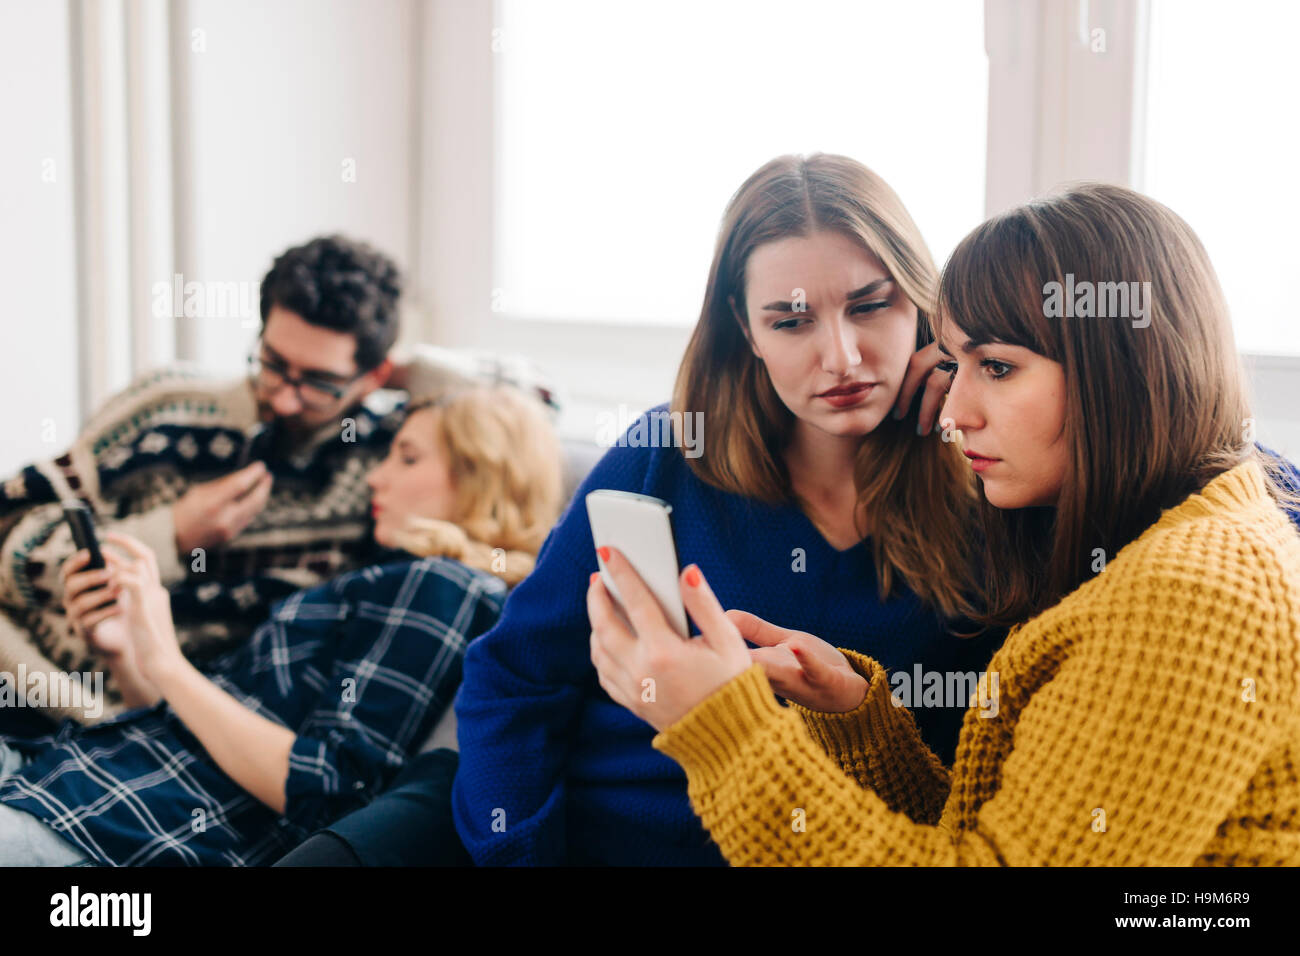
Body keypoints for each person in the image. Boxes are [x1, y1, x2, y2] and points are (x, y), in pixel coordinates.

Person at [589, 182, 1300, 865]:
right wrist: (858, 719)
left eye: (995, 367)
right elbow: (983, 843)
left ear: (1124, 371)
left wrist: (722, 733)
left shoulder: (1190, 598)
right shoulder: (1158, 550)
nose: (954, 414)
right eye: (955, 364)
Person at [443, 153, 1007, 867]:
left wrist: (974, 394)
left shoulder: (990, 484)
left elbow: (974, 772)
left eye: (871, 306)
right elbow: (514, 679)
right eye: (792, 321)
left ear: (923, 305)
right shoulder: (664, 453)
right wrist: (521, 856)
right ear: (745, 328)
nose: (842, 357)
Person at [0, 235, 556, 729]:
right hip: (22, 670)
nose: (285, 397)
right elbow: (12, 530)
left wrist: (403, 372)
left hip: (145, 723)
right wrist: (170, 536)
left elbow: (533, 408)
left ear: (375, 376)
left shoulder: (386, 451)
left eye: (319, 381)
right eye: (273, 362)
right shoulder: (169, 403)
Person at [0, 385, 562, 866]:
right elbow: (197, 737)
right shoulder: (392, 578)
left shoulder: (447, 586)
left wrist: (168, 662)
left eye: (408, 459)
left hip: (117, 830)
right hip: (72, 781)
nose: (376, 477)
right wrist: (130, 653)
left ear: (481, 478)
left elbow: (332, 787)